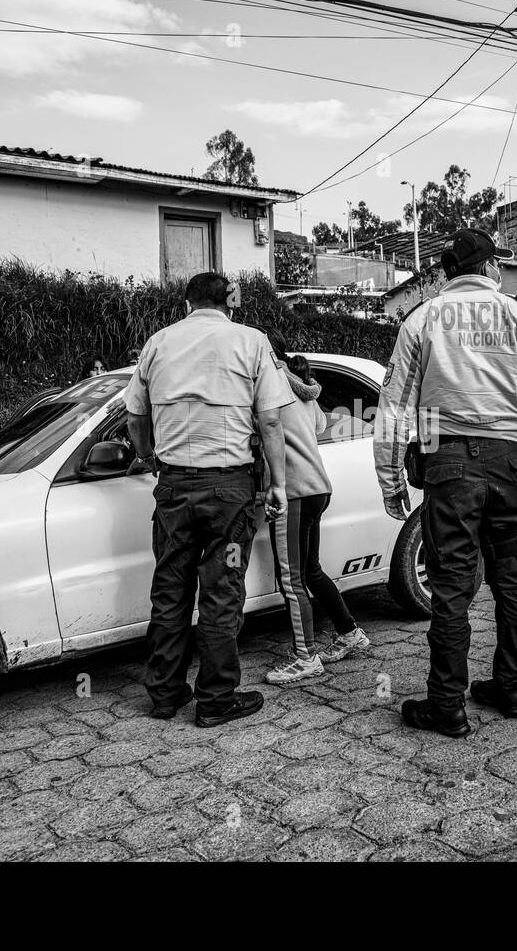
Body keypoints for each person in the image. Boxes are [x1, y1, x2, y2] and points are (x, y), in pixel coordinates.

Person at [374, 228, 517, 737]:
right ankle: (510, 687)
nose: (501, 271)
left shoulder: (420, 320)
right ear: (487, 269)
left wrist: (391, 478)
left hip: (448, 463)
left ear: (445, 274)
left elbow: (395, 407)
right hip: (510, 463)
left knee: (453, 585)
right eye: (497, 264)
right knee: (511, 575)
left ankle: (447, 704)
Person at [124, 272, 293, 728]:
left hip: (174, 489)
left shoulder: (157, 343)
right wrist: (277, 484)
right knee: (221, 592)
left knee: (171, 590)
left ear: (186, 304)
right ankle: (216, 700)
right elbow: (272, 422)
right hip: (229, 492)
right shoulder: (251, 341)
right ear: (230, 303)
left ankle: (165, 694)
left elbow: (135, 416)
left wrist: (147, 455)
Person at [262, 329, 371, 684]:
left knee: (291, 578)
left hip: (292, 491)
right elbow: (322, 424)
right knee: (310, 569)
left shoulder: (266, 385)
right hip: (318, 486)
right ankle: (349, 632)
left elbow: (265, 427)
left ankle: (305, 656)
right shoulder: (298, 385)